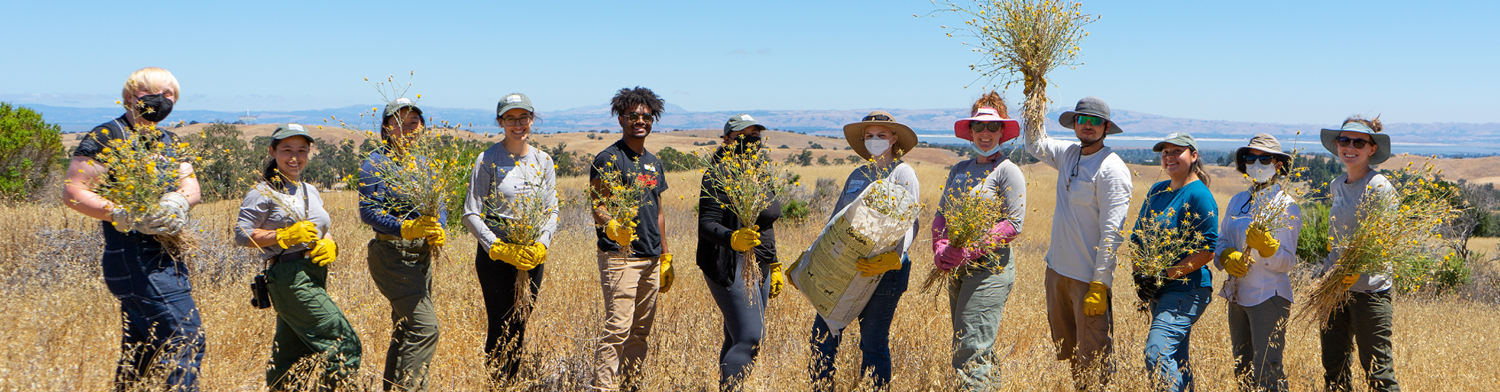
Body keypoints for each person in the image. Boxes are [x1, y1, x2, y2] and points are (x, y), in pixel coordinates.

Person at [62, 67, 206, 391]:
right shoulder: (108, 136)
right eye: (150, 93)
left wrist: (178, 202)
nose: (160, 100)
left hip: (169, 258)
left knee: (140, 355)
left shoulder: (169, 139)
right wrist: (122, 214)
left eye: (168, 95)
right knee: (185, 336)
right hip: (132, 259)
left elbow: (191, 186)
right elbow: (73, 192)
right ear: (129, 97)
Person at [234, 124, 362, 390]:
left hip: (313, 273)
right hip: (288, 276)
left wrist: (329, 244)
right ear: (273, 152)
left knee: (292, 357)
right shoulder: (262, 191)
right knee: (344, 344)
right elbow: (241, 235)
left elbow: (321, 229)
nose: (295, 157)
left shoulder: (308, 190)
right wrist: (283, 237)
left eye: (301, 151)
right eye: (287, 150)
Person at [1021, 96, 1134, 387]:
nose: (1088, 125)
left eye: (1096, 121)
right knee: (1071, 354)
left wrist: (1100, 283)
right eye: (1082, 119)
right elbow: (1035, 144)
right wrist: (1034, 96)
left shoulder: (1112, 169)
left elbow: (1112, 232)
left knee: (1093, 360)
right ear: (1074, 123)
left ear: (1106, 127)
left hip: (1087, 281)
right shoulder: (1069, 154)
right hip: (1057, 272)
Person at [808, 110, 921, 391]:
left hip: (885, 272)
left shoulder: (903, 173)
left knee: (872, 342)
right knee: (823, 335)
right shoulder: (857, 175)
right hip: (844, 267)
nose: (875, 140)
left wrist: (895, 256)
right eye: (869, 136)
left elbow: (911, 221)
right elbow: (835, 220)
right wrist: (811, 256)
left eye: (881, 135)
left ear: (894, 139)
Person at [461, 93, 558, 381]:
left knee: (520, 324)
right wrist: (498, 247)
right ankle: (497, 384)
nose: (518, 124)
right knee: (500, 325)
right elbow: (470, 213)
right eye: (511, 118)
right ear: (500, 122)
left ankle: (511, 381)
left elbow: (552, 210)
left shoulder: (544, 160)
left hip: (531, 257)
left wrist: (541, 245)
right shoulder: (488, 159)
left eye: (524, 117)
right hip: (497, 257)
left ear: (532, 119)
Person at [933, 93, 1026, 390]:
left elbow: (1013, 224)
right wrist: (940, 246)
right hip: (958, 267)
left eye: (992, 127)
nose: (985, 134)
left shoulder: (1007, 171)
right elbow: (941, 214)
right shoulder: (959, 170)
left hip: (989, 269)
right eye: (979, 127)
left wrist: (968, 251)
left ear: (1002, 132)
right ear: (970, 131)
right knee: (972, 342)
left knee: (970, 346)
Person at [358, 97, 448, 392]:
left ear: (422, 127)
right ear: (386, 128)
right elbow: (368, 212)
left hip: (421, 255)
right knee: (425, 329)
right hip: (392, 254)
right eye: (399, 123)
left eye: (414, 122)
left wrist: (439, 228)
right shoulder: (375, 164)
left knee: (406, 330)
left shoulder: (425, 164)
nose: (408, 128)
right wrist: (405, 227)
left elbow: (439, 204)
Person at [589, 86, 672, 391]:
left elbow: (659, 212)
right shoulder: (608, 158)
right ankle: (604, 387)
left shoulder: (653, 162)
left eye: (647, 116)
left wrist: (666, 256)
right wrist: (612, 227)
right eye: (633, 115)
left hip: (651, 257)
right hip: (620, 256)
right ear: (620, 118)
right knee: (618, 330)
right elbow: (598, 206)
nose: (641, 120)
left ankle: (631, 385)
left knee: (640, 332)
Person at [697, 114, 786, 391]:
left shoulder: (760, 173)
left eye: (755, 137)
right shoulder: (718, 173)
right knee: (750, 337)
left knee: (736, 336)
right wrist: (732, 239)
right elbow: (706, 224)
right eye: (743, 137)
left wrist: (774, 262)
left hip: (759, 264)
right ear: (726, 140)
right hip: (727, 262)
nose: (750, 143)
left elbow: (766, 223)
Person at [1131, 133, 1219, 392]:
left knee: (1156, 354)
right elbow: (1138, 237)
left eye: (1176, 151)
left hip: (1186, 289)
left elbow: (1207, 251)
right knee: (1177, 361)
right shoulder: (1157, 191)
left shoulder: (1199, 195)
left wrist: (1163, 274)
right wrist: (1140, 276)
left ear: (1193, 156)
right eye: (1165, 152)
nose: (1169, 157)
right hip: (1159, 288)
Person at [1319, 116, 1401, 392]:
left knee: (1378, 372)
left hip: (1370, 290)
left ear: (1372, 149)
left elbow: (1384, 241)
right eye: (1344, 140)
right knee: (1334, 368)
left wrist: (1354, 266)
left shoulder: (1379, 187)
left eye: (1358, 142)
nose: (1349, 146)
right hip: (1333, 288)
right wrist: (1330, 276)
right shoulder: (1337, 185)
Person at [1215, 134, 1301, 391]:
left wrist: (1268, 249)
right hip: (1238, 295)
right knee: (1242, 368)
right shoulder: (1237, 201)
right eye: (1251, 158)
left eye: (1264, 158)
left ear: (1278, 165)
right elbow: (1221, 241)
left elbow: (1287, 262)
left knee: (1267, 369)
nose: (1257, 163)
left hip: (1269, 297)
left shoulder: (1286, 205)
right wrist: (1226, 257)